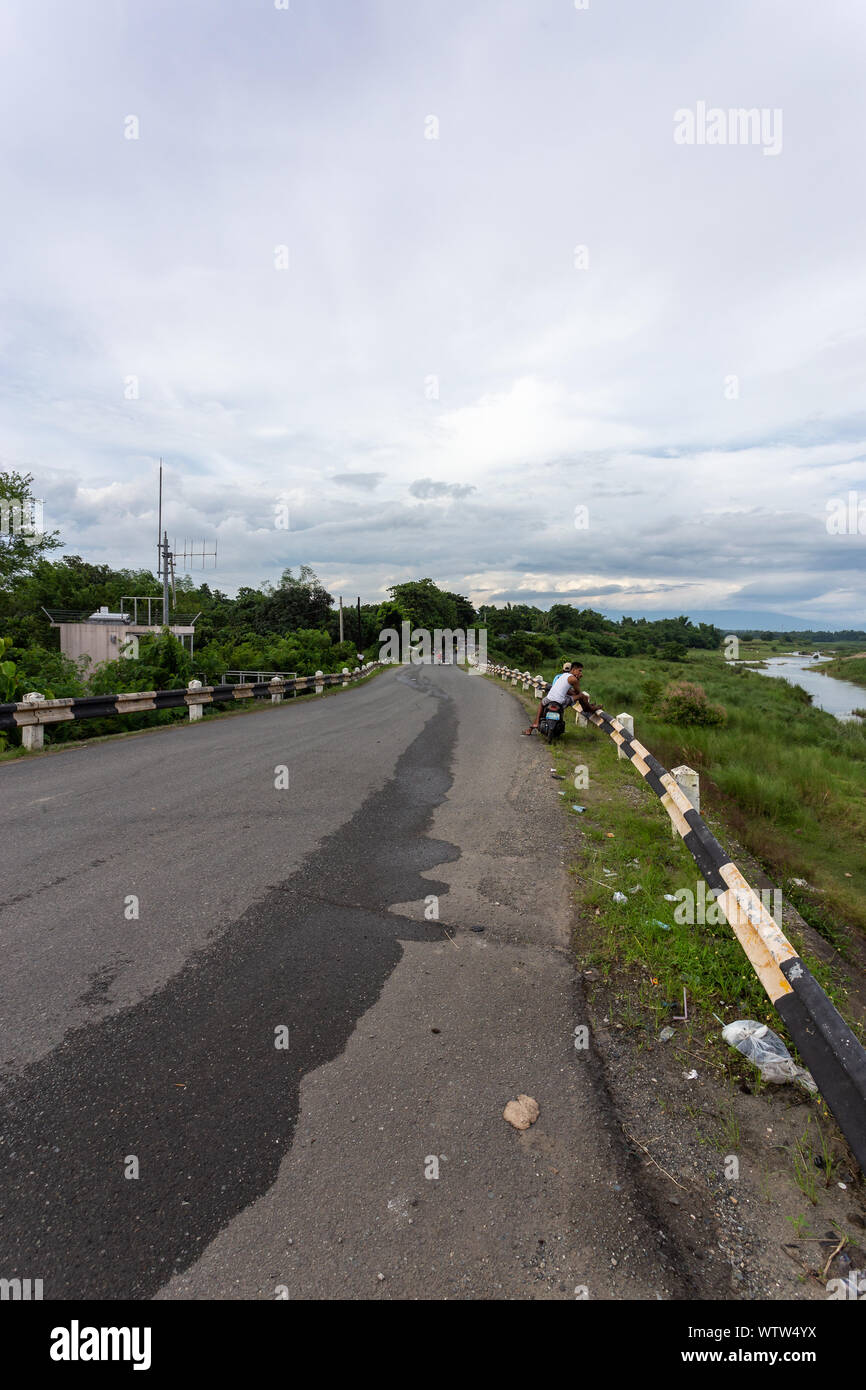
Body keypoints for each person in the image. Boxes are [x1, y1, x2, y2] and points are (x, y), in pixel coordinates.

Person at [522, 661, 600, 735]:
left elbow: (567, 691)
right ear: (574, 669)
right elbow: (578, 693)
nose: (581, 673)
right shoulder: (574, 679)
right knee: (582, 695)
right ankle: (589, 709)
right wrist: (578, 681)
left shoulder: (563, 676)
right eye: (580, 671)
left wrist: (573, 692)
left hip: (549, 698)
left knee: (542, 703)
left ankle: (534, 724)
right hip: (560, 702)